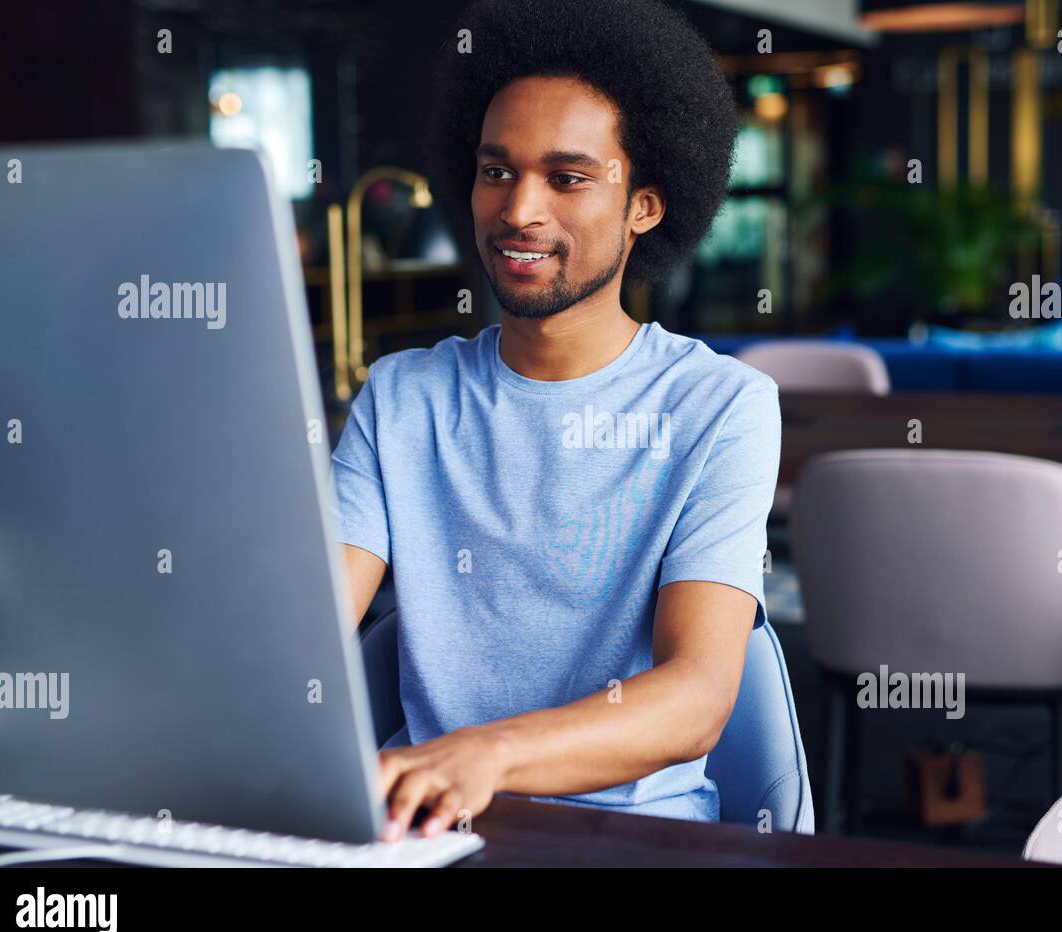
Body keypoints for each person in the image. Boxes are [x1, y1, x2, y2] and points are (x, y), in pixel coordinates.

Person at [331, 0, 780, 839]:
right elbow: (304, 625)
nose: (518, 210)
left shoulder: (720, 406)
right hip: (421, 830)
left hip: (633, 838)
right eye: (496, 170)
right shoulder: (401, 398)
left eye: (567, 178)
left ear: (645, 205)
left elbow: (696, 700)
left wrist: (484, 755)